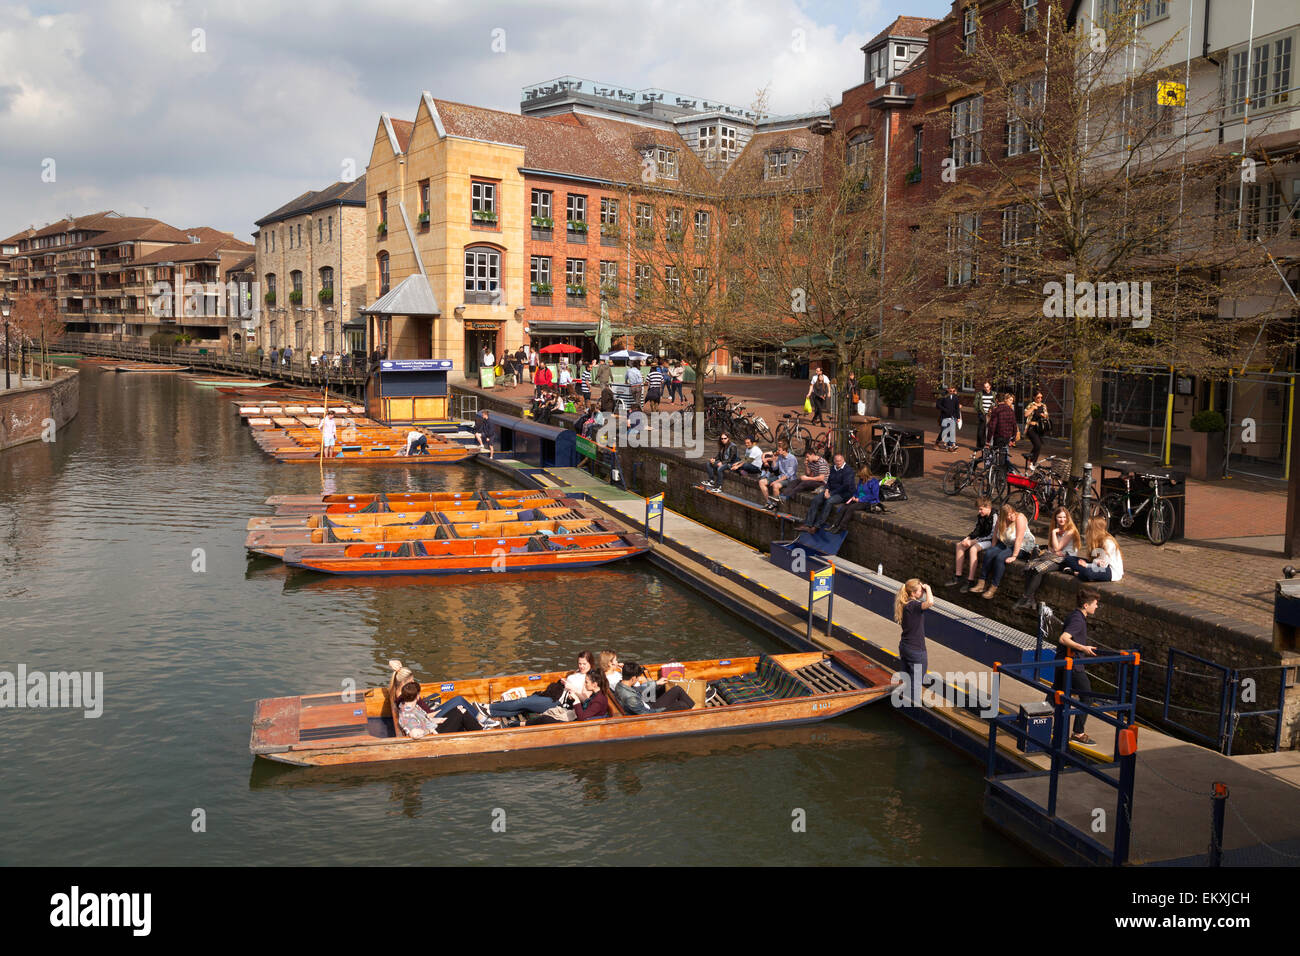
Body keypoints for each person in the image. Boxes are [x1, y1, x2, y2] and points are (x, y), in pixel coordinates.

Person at [1050, 586, 1101, 744]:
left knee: (1055, 694)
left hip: (1062, 661)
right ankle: (1078, 733)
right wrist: (1083, 648)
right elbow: (1063, 638)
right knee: (1087, 696)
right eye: (1095, 603)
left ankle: (1037, 719)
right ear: (1086, 605)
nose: (1097, 606)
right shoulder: (1078, 620)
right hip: (1072, 664)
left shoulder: (1074, 615)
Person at [487, 652, 595, 723]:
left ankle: (488, 708)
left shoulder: (590, 679)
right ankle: (491, 713)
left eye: (584, 664)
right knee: (523, 706)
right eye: (579, 663)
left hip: (559, 702)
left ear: (591, 663)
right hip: (555, 694)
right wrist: (564, 682)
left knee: (523, 702)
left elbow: (586, 699)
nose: (581, 666)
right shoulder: (578, 672)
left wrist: (571, 688)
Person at [1015, 507, 1081, 610]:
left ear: (1068, 518)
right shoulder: (1054, 528)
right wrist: (1055, 547)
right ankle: (1030, 600)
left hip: (1066, 560)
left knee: (1038, 570)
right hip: (1054, 556)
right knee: (1029, 567)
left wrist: (1054, 534)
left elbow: (1057, 548)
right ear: (1055, 518)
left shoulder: (1070, 531)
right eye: (1059, 517)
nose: (1062, 520)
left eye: (1064, 517)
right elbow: (1051, 547)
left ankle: (1025, 597)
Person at [973, 502, 1038, 600]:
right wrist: (993, 548)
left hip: (1023, 546)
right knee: (989, 553)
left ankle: (993, 588)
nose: (1012, 516)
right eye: (1009, 515)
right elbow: (995, 535)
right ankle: (981, 583)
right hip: (1008, 543)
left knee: (1000, 557)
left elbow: (1019, 539)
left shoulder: (1020, 518)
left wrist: (1014, 556)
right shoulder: (1001, 520)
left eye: (1012, 513)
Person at [894, 578, 935, 704]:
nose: (922, 592)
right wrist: (928, 588)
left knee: (906, 679)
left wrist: (923, 589)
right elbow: (930, 602)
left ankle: (903, 702)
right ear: (913, 593)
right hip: (916, 650)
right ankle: (913, 706)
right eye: (920, 590)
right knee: (916, 682)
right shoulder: (915, 606)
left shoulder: (905, 604)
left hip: (905, 646)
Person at [946, 496, 995, 591]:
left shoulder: (995, 516)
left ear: (988, 507)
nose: (979, 511)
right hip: (981, 538)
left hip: (991, 541)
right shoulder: (981, 516)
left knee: (973, 549)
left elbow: (992, 535)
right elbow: (977, 530)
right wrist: (967, 538)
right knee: (959, 545)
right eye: (978, 509)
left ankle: (970, 580)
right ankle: (958, 575)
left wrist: (974, 541)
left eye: (981, 509)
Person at [798, 452, 854, 532]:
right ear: (834, 461)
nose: (838, 463)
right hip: (831, 490)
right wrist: (827, 490)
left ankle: (817, 526)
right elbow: (829, 482)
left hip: (844, 493)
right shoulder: (833, 468)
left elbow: (845, 486)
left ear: (843, 460)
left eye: (840, 461)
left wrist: (831, 494)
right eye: (836, 461)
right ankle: (808, 524)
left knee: (829, 501)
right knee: (816, 499)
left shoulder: (848, 470)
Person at [530, 669, 609, 724]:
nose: (584, 684)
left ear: (594, 685)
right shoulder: (596, 694)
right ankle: (521, 724)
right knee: (550, 714)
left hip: (580, 725)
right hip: (577, 717)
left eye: (586, 682)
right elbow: (589, 707)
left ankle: (520, 725)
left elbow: (582, 718)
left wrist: (577, 701)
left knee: (545, 719)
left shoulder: (599, 700)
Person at [1059, 516, 1125, 583]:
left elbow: (1103, 565)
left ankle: (1075, 573)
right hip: (1095, 565)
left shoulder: (1107, 542)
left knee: (1087, 573)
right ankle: (1074, 570)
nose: (1086, 529)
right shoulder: (1096, 540)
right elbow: (1094, 561)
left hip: (1110, 571)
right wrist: (1086, 564)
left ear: (1094, 529)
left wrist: (1087, 565)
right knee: (1069, 559)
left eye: (1088, 527)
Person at [614, 662, 695, 713]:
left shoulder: (621, 685)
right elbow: (647, 714)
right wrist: (666, 708)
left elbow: (637, 689)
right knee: (682, 704)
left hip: (645, 702)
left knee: (676, 689)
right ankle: (696, 713)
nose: (638, 679)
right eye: (638, 677)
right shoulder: (631, 698)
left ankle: (694, 708)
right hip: (651, 710)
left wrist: (656, 683)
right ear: (633, 678)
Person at [825, 466, 882, 532]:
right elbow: (857, 491)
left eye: (861, 476)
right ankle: (835, 525)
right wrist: (854, 496)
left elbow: (874, 495)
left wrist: (860, 500)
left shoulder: (874, 482)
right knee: (844, 507)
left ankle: (842, 526)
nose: (860, 477)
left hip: (869, 502)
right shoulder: (861, 481)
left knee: (851, 508)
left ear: (865, 475)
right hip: (858, 499)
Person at [759, 439, 799, 510]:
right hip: (780, 477)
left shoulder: (792, 459)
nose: (778, 451)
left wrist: (776, 481)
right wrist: (774, 459)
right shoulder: (780, 457)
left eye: (779, 450)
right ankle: (768, 502)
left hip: (790, 480)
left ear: (784, 450)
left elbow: (788, 475)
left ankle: (775, 505)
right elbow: (774, 468)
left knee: (776, 485)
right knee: (761, 482)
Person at [1024, 391, 1050, 466]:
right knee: (1037, 444)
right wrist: (1032, 408)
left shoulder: (1043, 405)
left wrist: (1044, 415)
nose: (1040, 399)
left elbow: (1047, 416)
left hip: (1040, 428)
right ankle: (1032, 461)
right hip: (1032, 428)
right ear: (1034, 397)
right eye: (1038, 397)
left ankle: (1031, 459)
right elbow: (1026, 414)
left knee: (1039, 446)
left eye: (1041, 397)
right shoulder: (1031, 405)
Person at [936, 385, 962, 452]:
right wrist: (945, 410)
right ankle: (945, 444)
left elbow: (957, 408)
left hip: (952, 416)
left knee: (950, 430)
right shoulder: (943, 395)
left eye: (953, 390)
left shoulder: (955, 397)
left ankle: (950, 445)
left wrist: (958, 417)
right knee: (945, 431)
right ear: (947, 389)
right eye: (950, 390)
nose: (952, 391)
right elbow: (938, 405)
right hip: (944, 416)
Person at [975, 381, 995, 452]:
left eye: (987, 387)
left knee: (989, 430)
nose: (986, 388)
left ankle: (988, 445)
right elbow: (976, 404)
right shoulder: (980, 394)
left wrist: (992, 409)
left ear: (990, 386)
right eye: (985, 387)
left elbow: (995, 403)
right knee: (981, 430)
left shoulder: (993, 394)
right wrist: (980, 412)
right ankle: (980, 446)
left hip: (991, 414)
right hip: (982, 414)